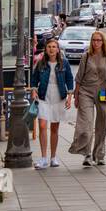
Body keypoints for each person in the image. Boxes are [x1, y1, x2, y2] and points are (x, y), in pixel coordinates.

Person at [69, 30, 106, 167]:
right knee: (86, 125)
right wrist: (76, 95)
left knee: (102, 124)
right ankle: (87, 154)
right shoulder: (86, 56)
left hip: (103, 91)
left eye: (98, 40)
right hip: (86, 91)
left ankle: (99, 154)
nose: (96, 43)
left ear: (103, 42)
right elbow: (79, 77)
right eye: (94, 40)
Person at [31, 38, 74, 169]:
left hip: (58, 96)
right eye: (49, 46)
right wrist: (33, 91)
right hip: (44, 95)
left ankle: (53, 157)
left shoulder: (64, 63)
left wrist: (69, 97)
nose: (51, 49)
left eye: (54, 47)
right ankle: (43, 158)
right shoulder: (41, 63)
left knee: (55, 128)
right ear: (46, 49)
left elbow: (69, 79)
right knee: (43, 125)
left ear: (57, 49)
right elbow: (34, 79)